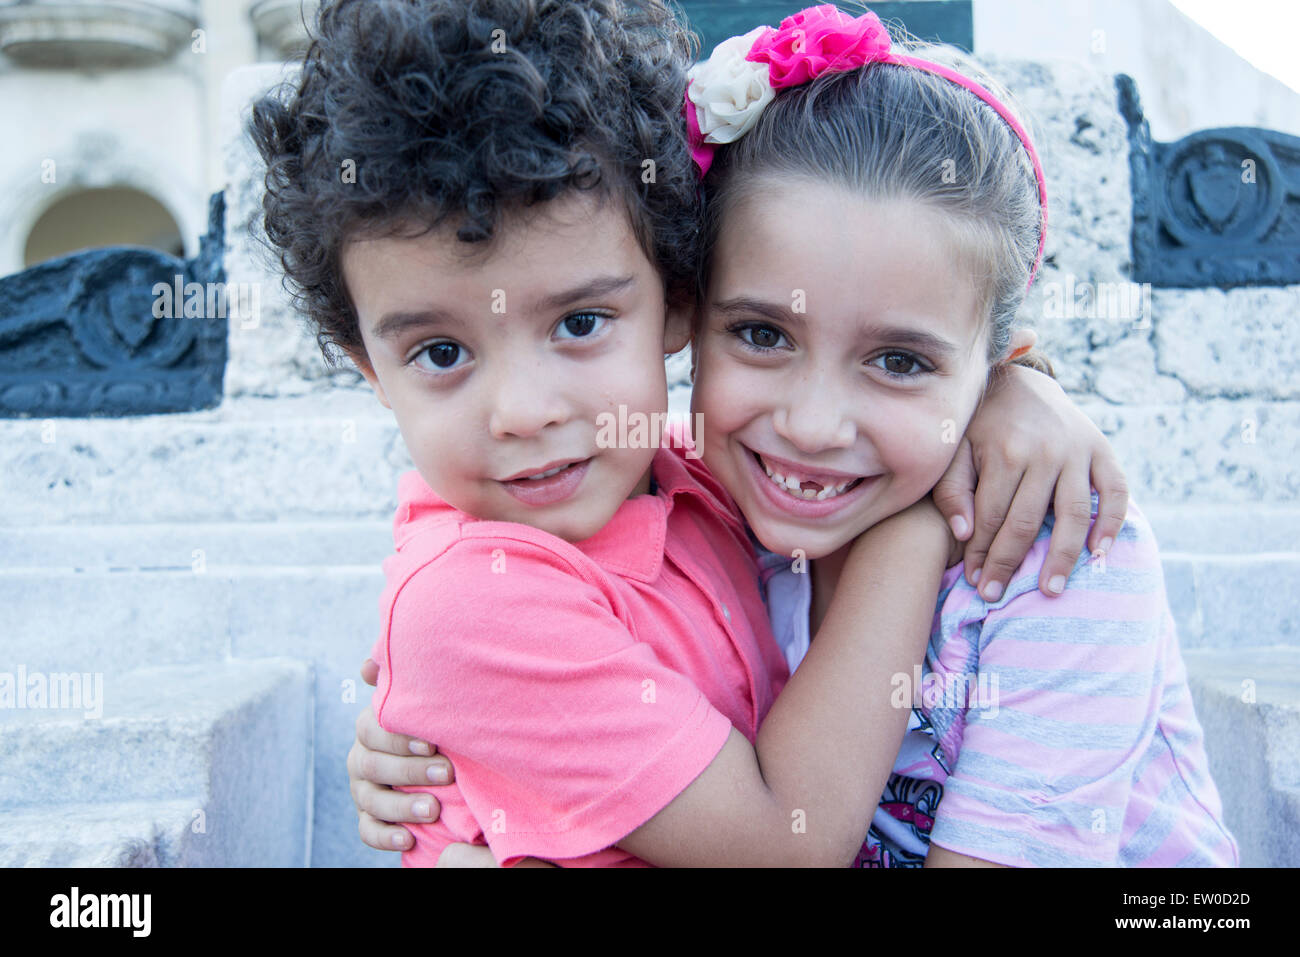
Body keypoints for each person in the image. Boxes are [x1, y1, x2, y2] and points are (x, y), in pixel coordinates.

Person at [261, 0, 1142, 866]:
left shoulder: (704, 484)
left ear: (676, 299)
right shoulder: (475, 603)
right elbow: (783, 845)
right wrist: (911, 527)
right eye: (442, 350)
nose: (524, 411)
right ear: (368, 369)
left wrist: (1010, 392)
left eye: (578, 324)